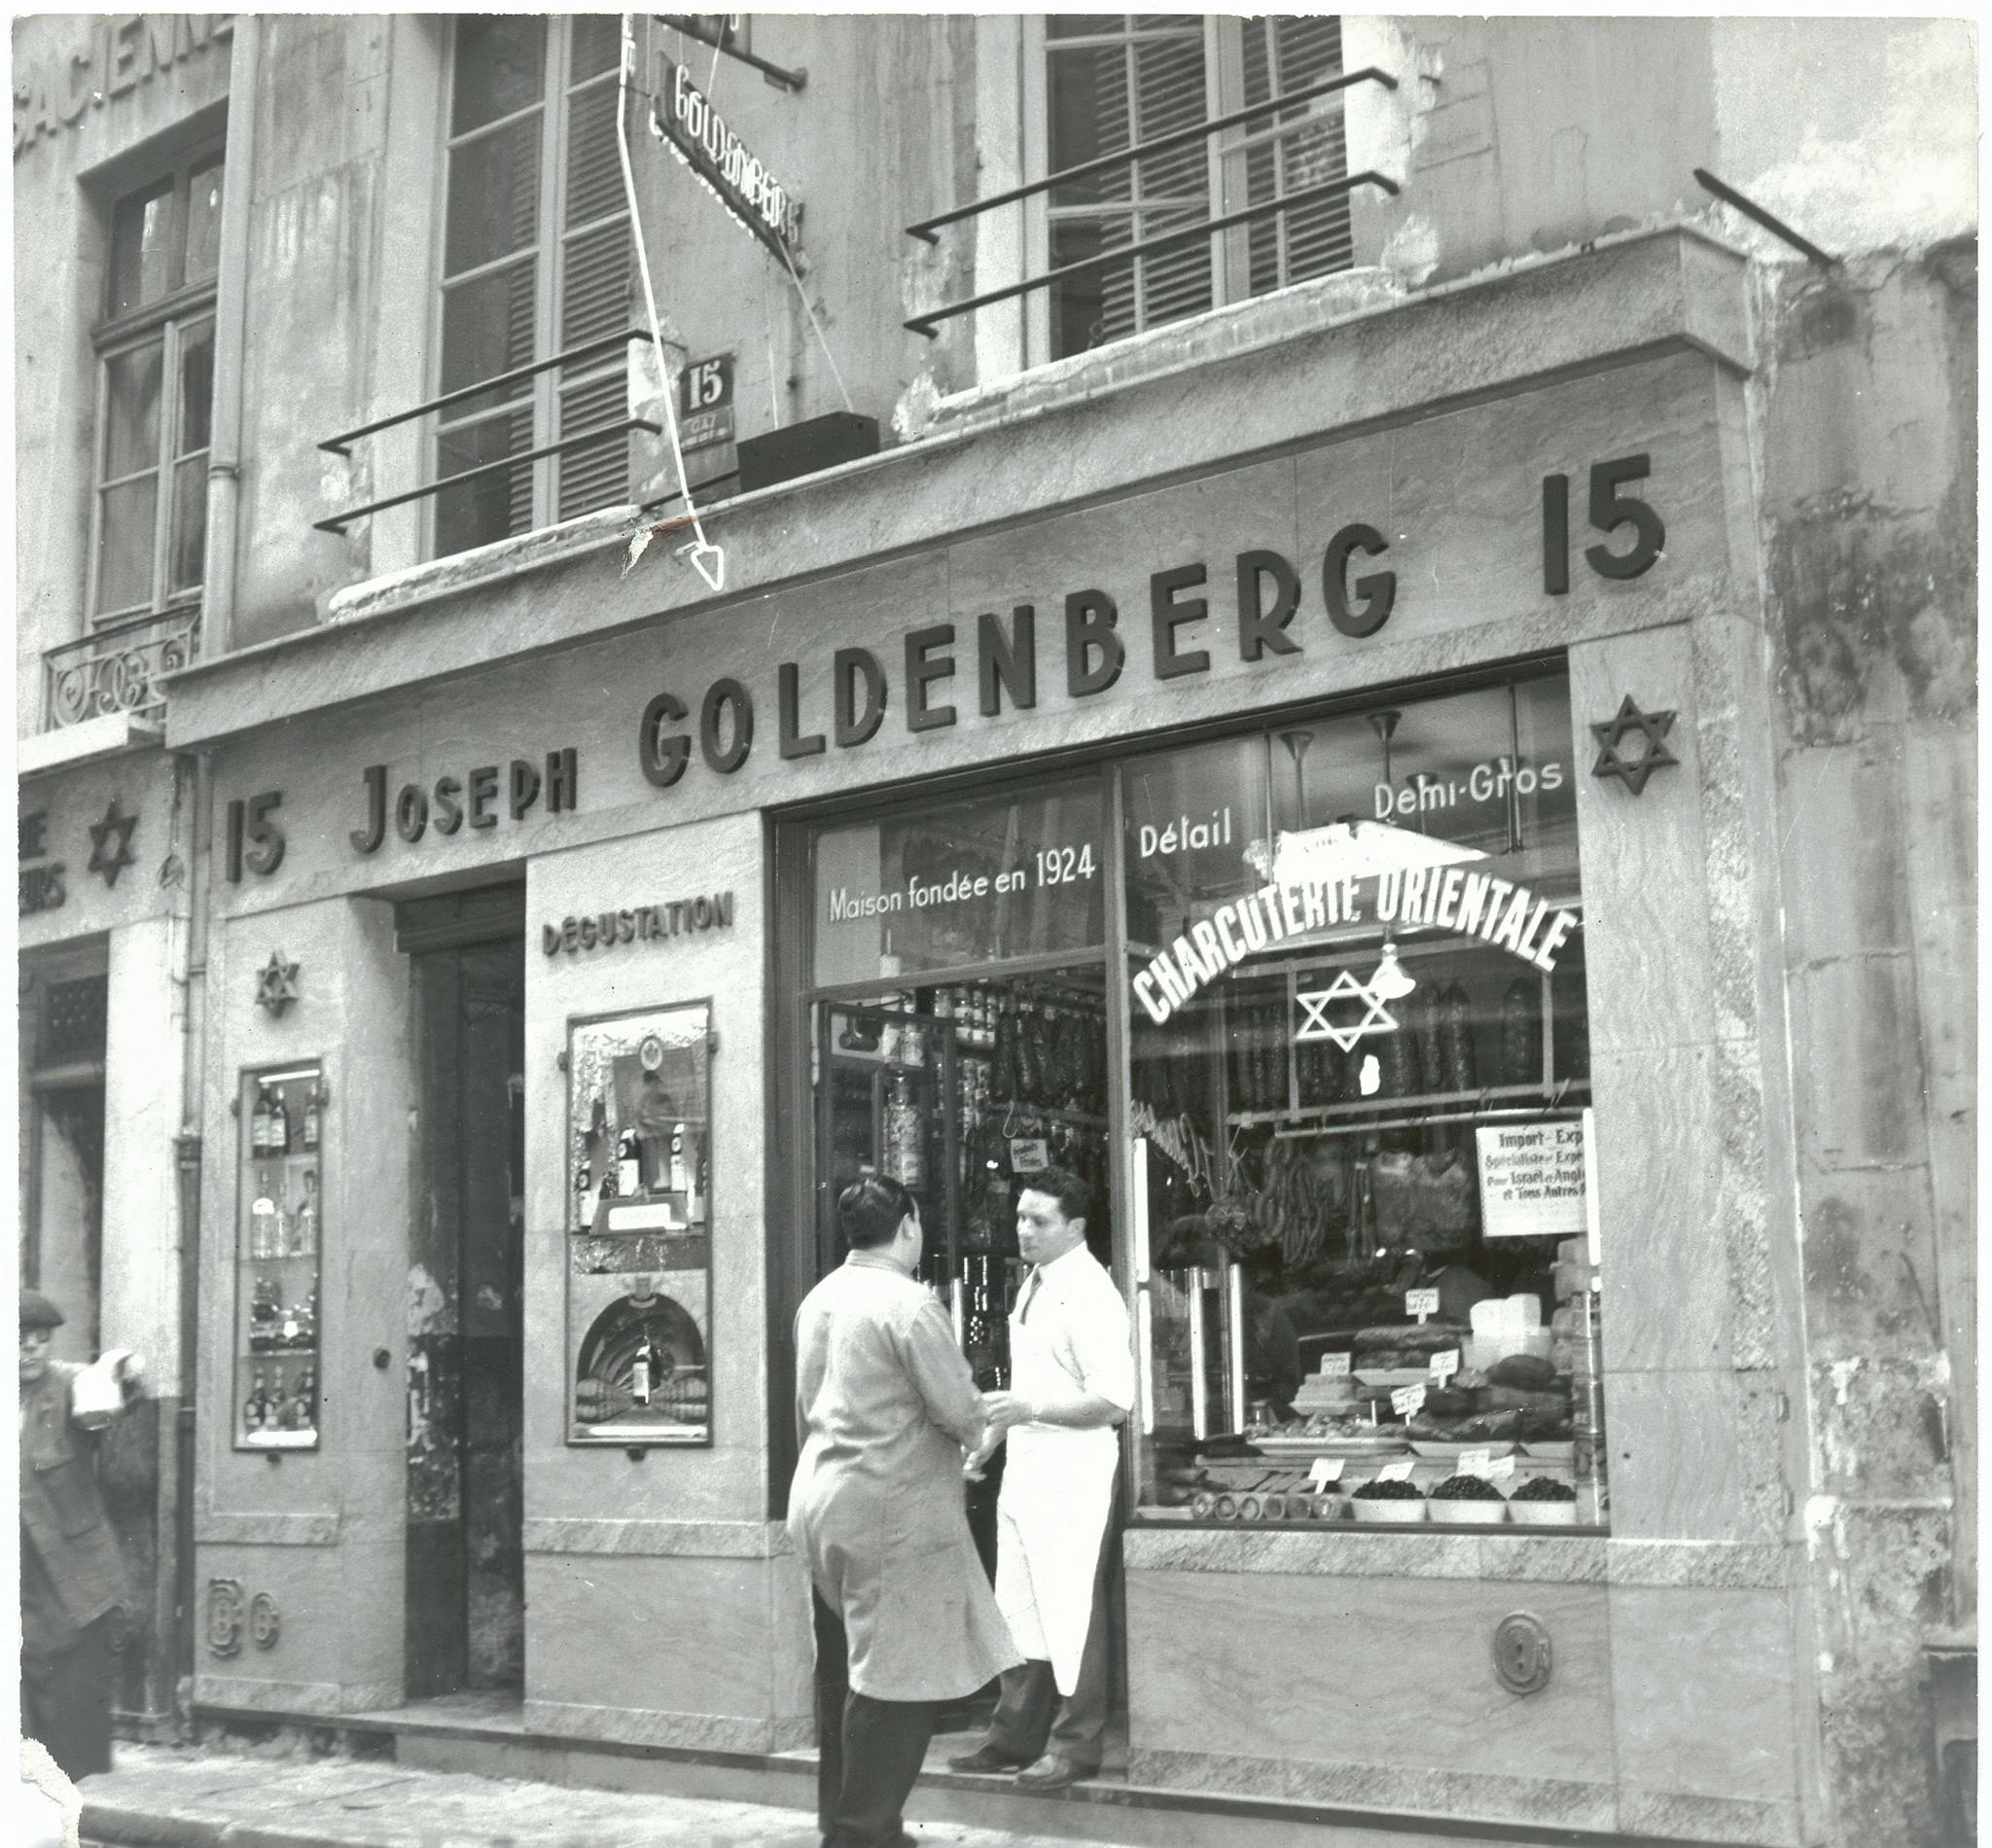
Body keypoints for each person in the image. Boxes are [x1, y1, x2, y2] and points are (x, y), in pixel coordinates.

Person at [789, 1176, 1019, 1848]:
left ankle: (850, 1823)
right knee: (897, 1683)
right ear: (910, 1225)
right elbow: (959, 1409)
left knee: (844, 1675)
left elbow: (809, 1402)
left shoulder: (819, 1299)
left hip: (822, 1499)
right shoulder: (910, 1304)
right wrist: (984, 1430)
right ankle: (863, 1835)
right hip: (890, 1509)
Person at [951, 1166, 1134, 1790]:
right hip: (1028, 1467)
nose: (1023, 1230)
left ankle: (1076, 1746)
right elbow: (1033, 1386)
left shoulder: (1091, 1293)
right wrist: (992, 1437)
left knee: (1071, 1608)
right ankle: (1014, 1737)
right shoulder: (1033, 1282)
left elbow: (1113, 1401)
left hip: (1075, 1473)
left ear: (1076, 1228)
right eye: (1021, 1217)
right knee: (1020, 1607)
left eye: (1039, 1221)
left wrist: (1027, 1412)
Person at [19, 1289, 142, 1784]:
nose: (31, 1350)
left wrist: (125, 1371)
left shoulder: (70, 1386)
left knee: (67, 1729)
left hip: (69, 1589)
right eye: (19, 1339)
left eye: (40, 1339)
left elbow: (113, 1396)